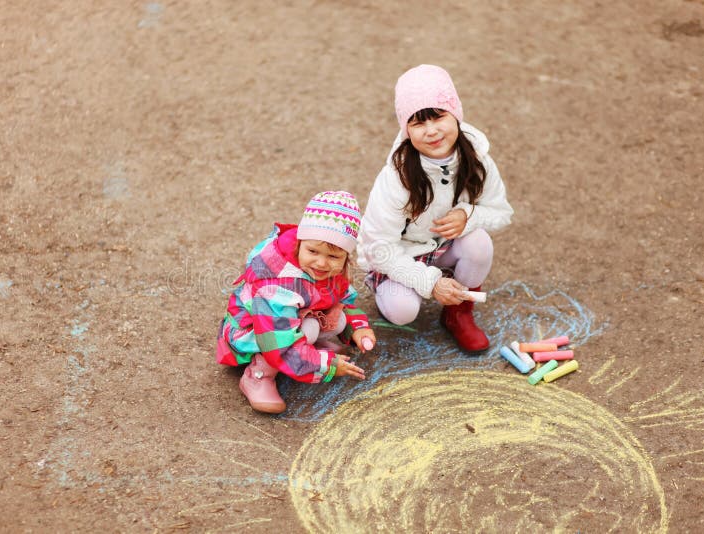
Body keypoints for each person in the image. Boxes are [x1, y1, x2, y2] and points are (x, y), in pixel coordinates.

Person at [357, 64, 513, 352]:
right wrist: (429, 282)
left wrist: (469, 215)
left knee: (479, 243)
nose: (431, 131)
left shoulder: (478, 160)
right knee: (402, 311)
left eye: (438, 116)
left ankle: (458, 314)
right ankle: (386, 290)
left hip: (443, 247)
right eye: (417, 123)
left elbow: (503, 212)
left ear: (455, 114)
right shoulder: (397, 175)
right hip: (401, 254)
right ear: (406, 129)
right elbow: (377, 247)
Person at [216, 191, 376, 414]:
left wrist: (356, 327)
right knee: (308, 329)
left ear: (345, 258)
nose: (321, 263)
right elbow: (277, 342)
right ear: (299, 243)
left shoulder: (327, 271)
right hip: (255, 334)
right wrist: (325, 365)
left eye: (333, 257)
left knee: (337, 320)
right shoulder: (278, 284)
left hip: (292, 320)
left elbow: (343, 299)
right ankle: (258, 375)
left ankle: (306, 349)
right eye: (313, 251)